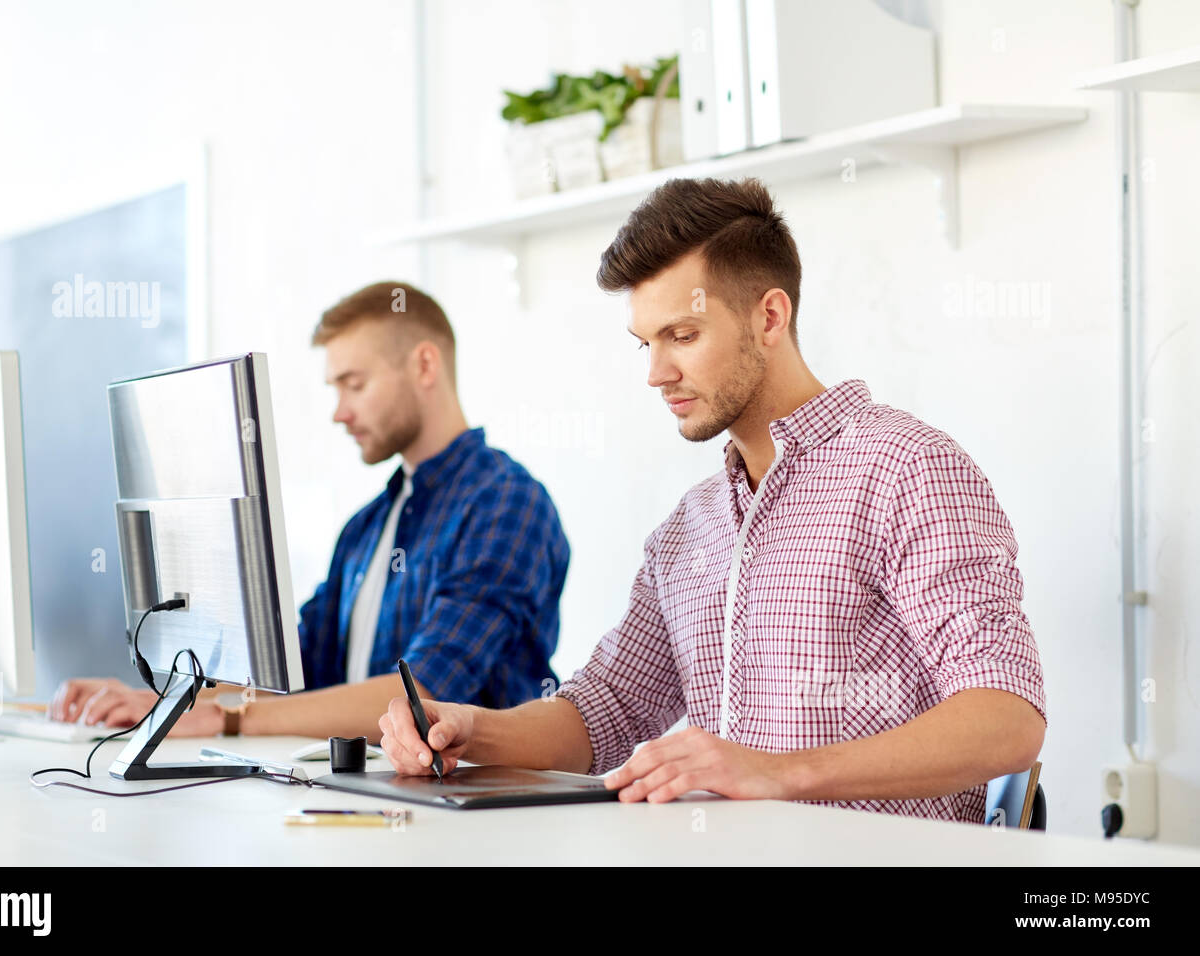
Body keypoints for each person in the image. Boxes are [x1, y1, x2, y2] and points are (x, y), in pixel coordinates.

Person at [377, 178, 1046, 824]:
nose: (655, 373)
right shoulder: (689, 528)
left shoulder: (907, 469)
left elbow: (1007, 716)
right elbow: (605, 710)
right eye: (647, 342)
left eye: (683, 336)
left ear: (770, 317)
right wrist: (467, 727)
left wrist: (779, 771)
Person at [50, 281, 570, 739]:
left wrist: (229, 718)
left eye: (355, 384)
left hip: (475, 823)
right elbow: (293, 672)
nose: (340, 412)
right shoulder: (366, 527)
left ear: (425, 365)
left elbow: (425, 693)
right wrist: (161, 698)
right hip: (377, 803)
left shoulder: (506, 503)